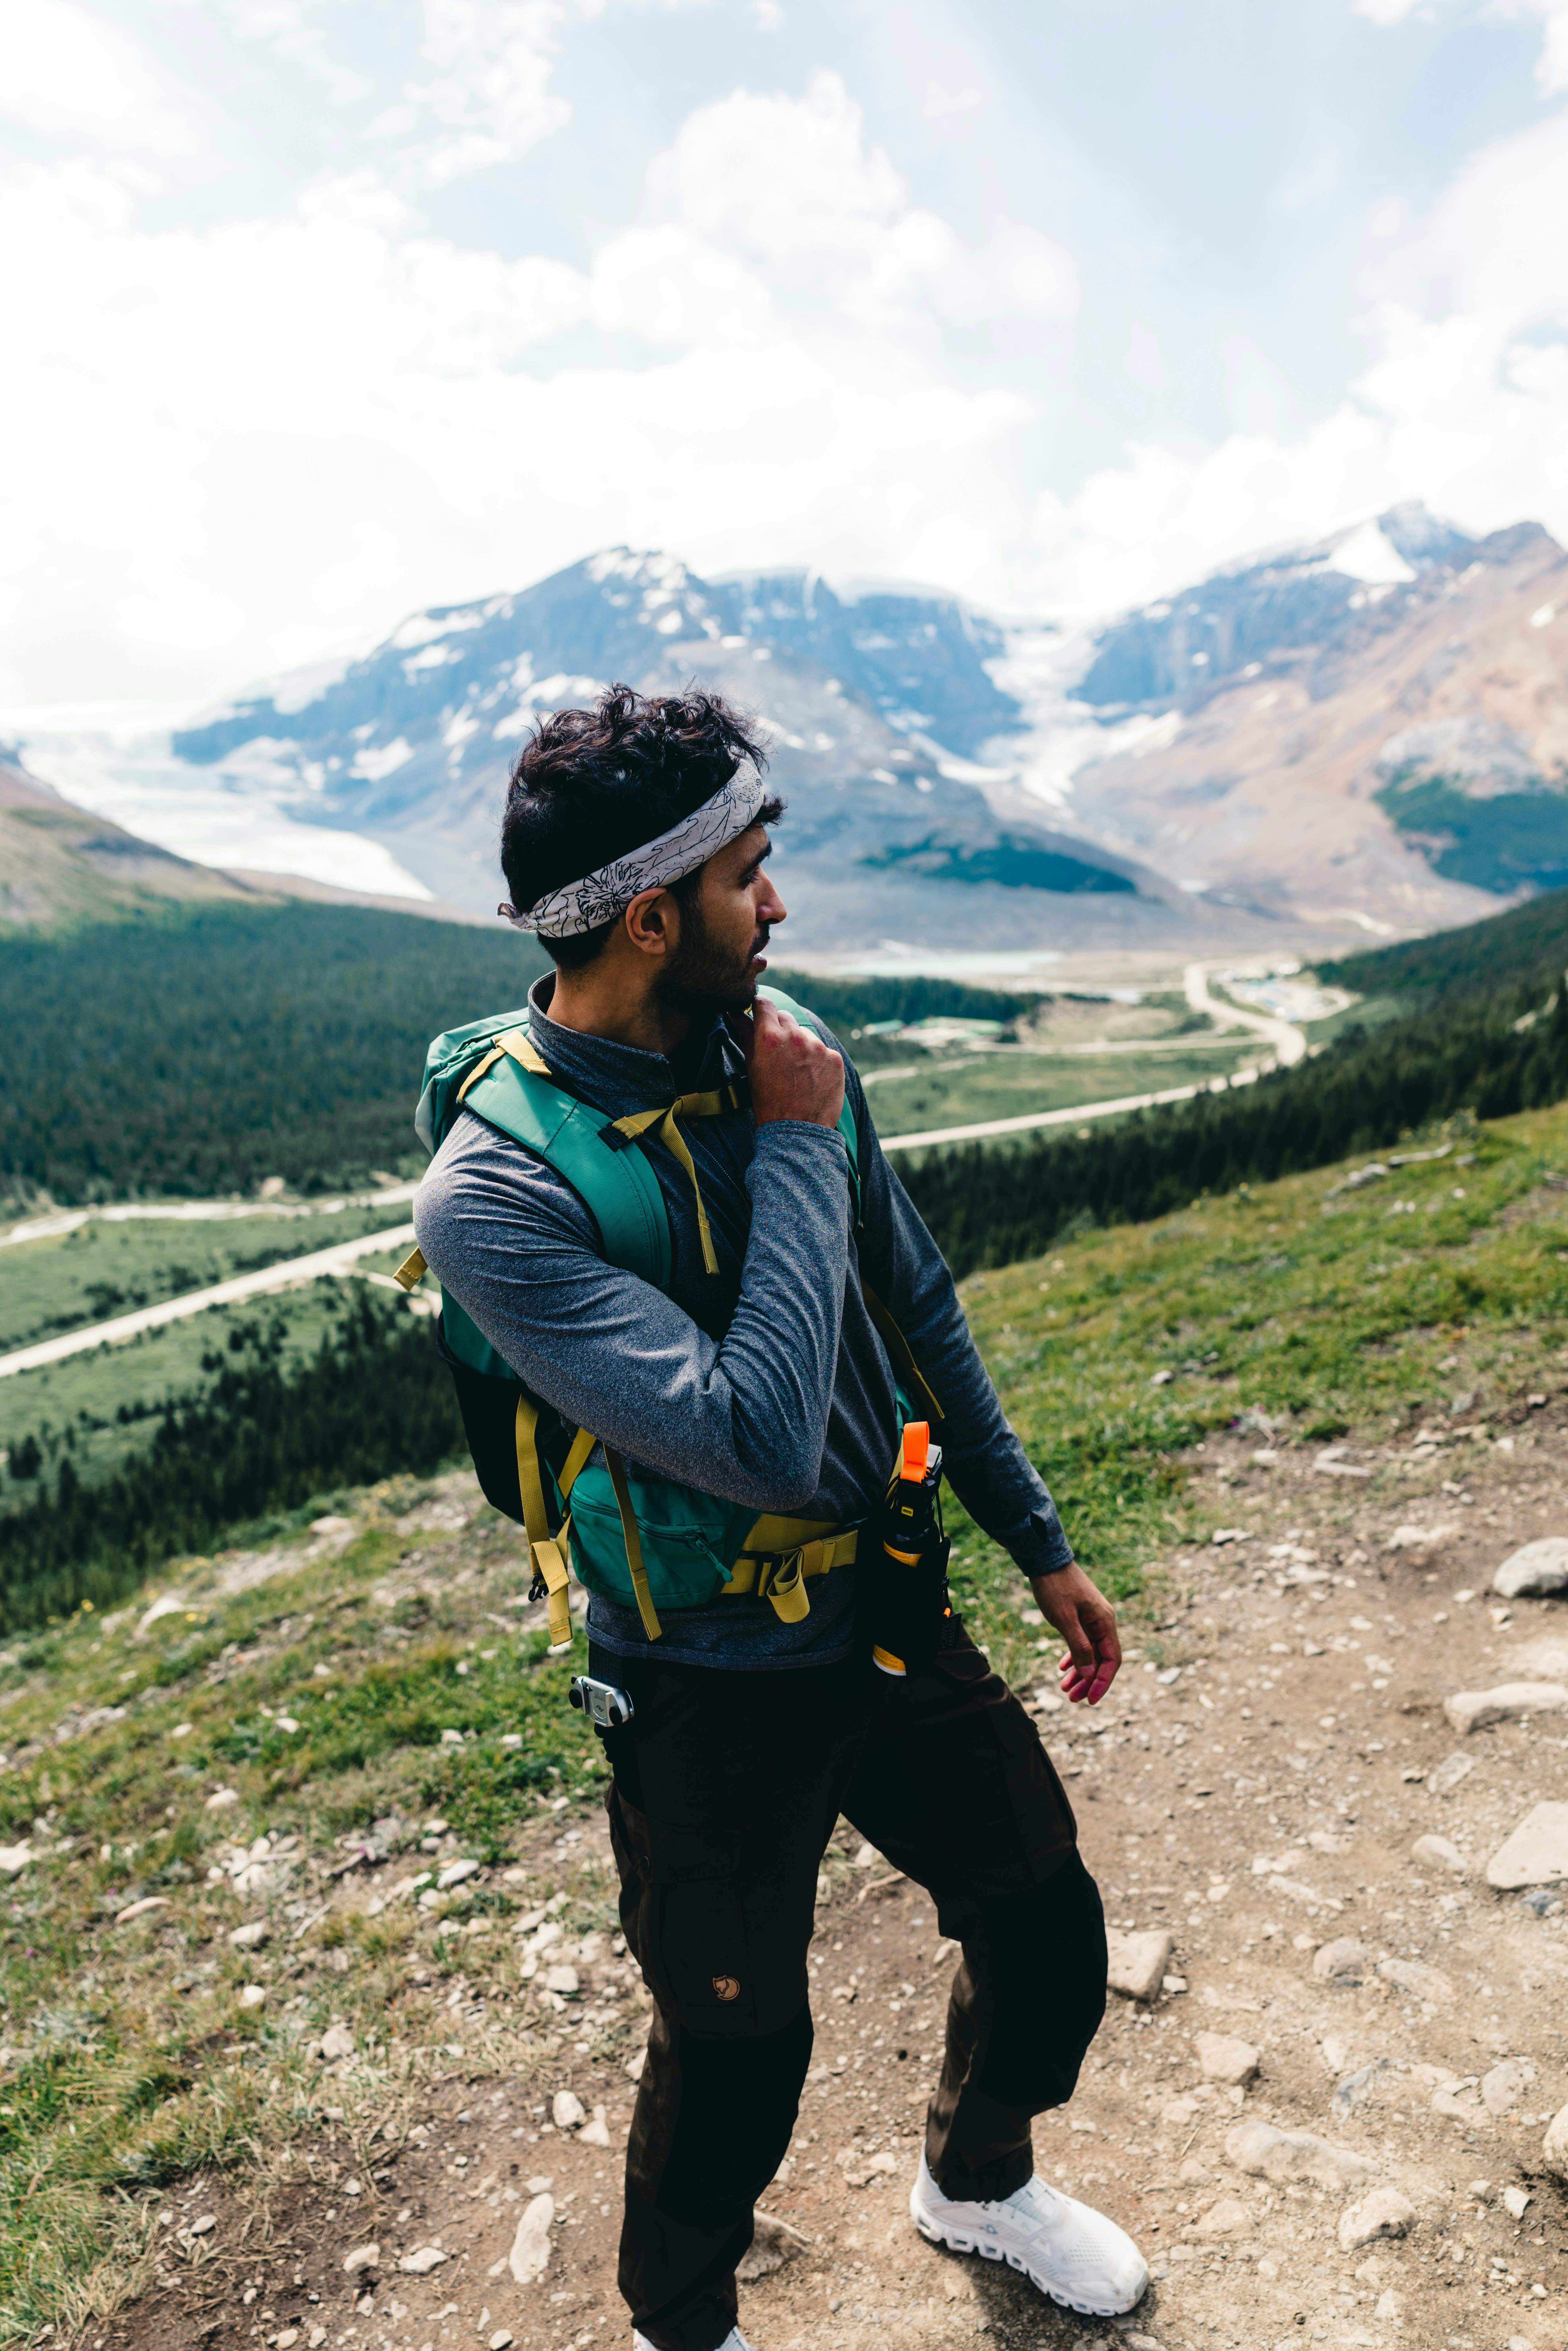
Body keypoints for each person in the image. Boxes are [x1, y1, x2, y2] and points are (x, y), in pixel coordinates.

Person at [413, 686, 1148, 2351]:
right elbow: (744, 1436)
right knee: (737, 2040)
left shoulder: (779, 1040)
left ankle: (975, 2178)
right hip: (701, 1679)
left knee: (1042, 1921)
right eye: (753, 876)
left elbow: (913, 1303)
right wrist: (798, 1143)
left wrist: (1035, 1538)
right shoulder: (496, 1192)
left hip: (884, 1607)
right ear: (655, 915)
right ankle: (686, 2322)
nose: (781, 907)